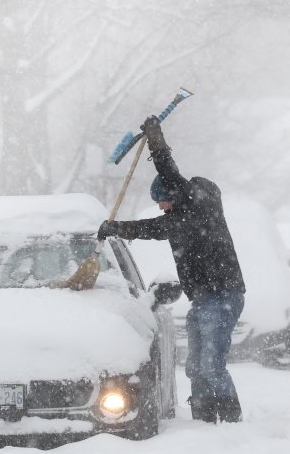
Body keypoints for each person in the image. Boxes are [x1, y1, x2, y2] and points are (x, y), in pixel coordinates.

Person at [97, 116, 247, 423]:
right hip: (202, 299)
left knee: (211, 365)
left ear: (174, 195)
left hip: (222, 294)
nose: (161, 207)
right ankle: (203, 418)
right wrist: (116, 228)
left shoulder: (198, 205)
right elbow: (153, 226)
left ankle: (230, 419)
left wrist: (155, 138)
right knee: (195, 366)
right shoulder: (179, 217)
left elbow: (166, 170)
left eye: (163, 201)